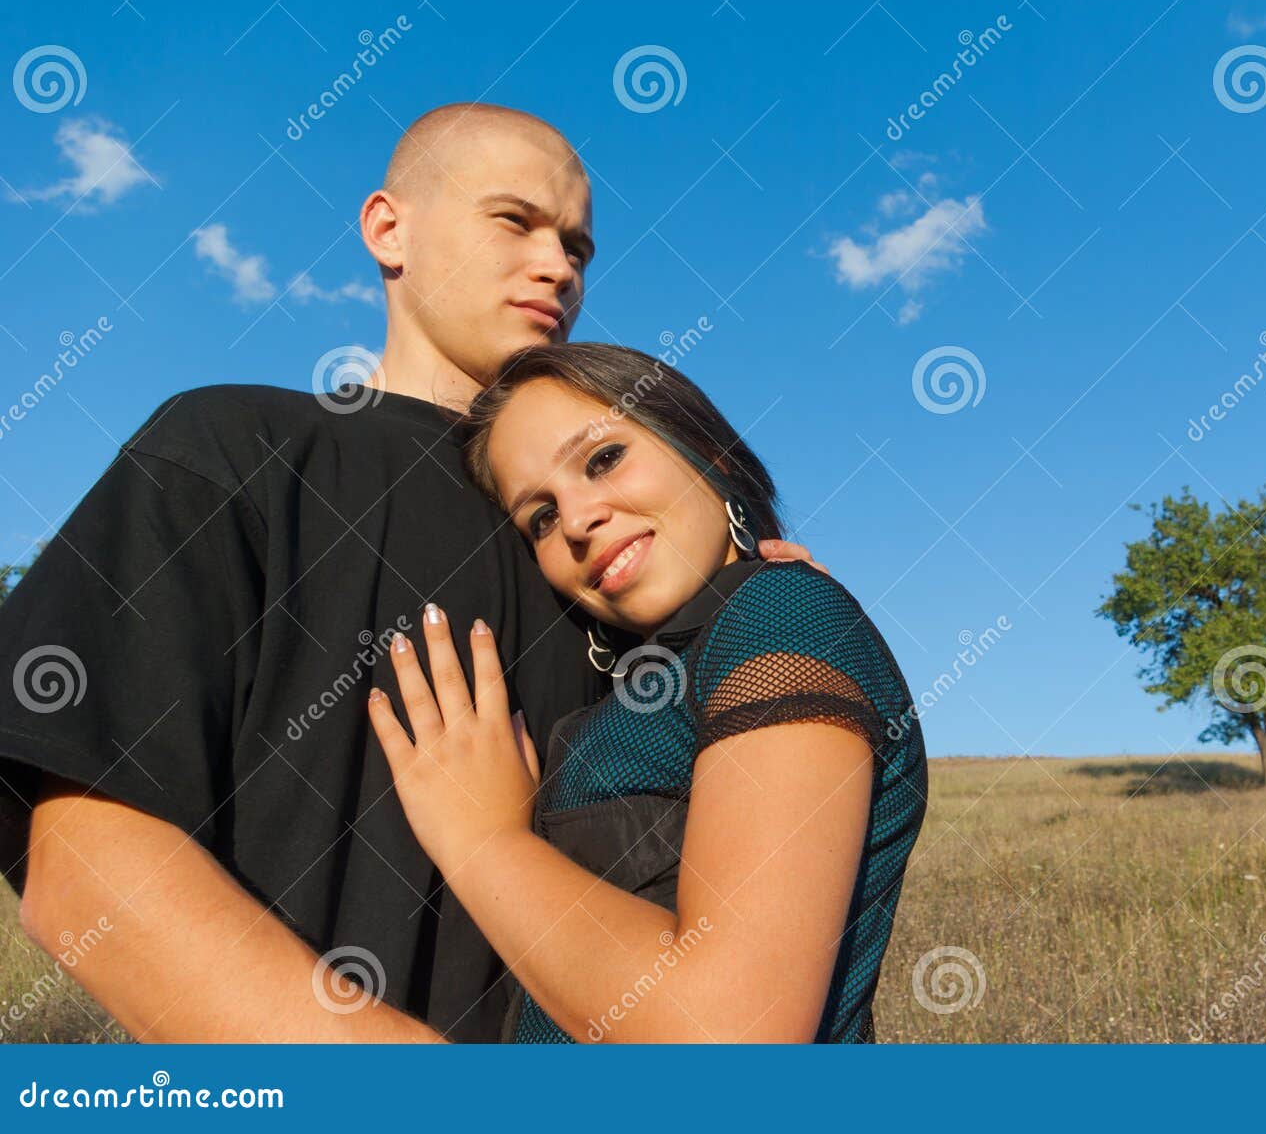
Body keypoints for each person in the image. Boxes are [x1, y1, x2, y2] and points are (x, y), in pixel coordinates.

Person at [0, 103, 819, 1042]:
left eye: (579, 248)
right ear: (389, 229)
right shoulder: (235, 452)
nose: (559, 267)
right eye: (514, 222)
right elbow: (84, 868)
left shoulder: (607, 555)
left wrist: (755, 597)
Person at [365, 342, 929, 1042]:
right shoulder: (673, 667)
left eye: (604, 459)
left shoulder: (780, 611)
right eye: (539, 516)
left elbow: (731, 1029)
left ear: (707, 451)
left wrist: (482, 840)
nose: (575, 520)